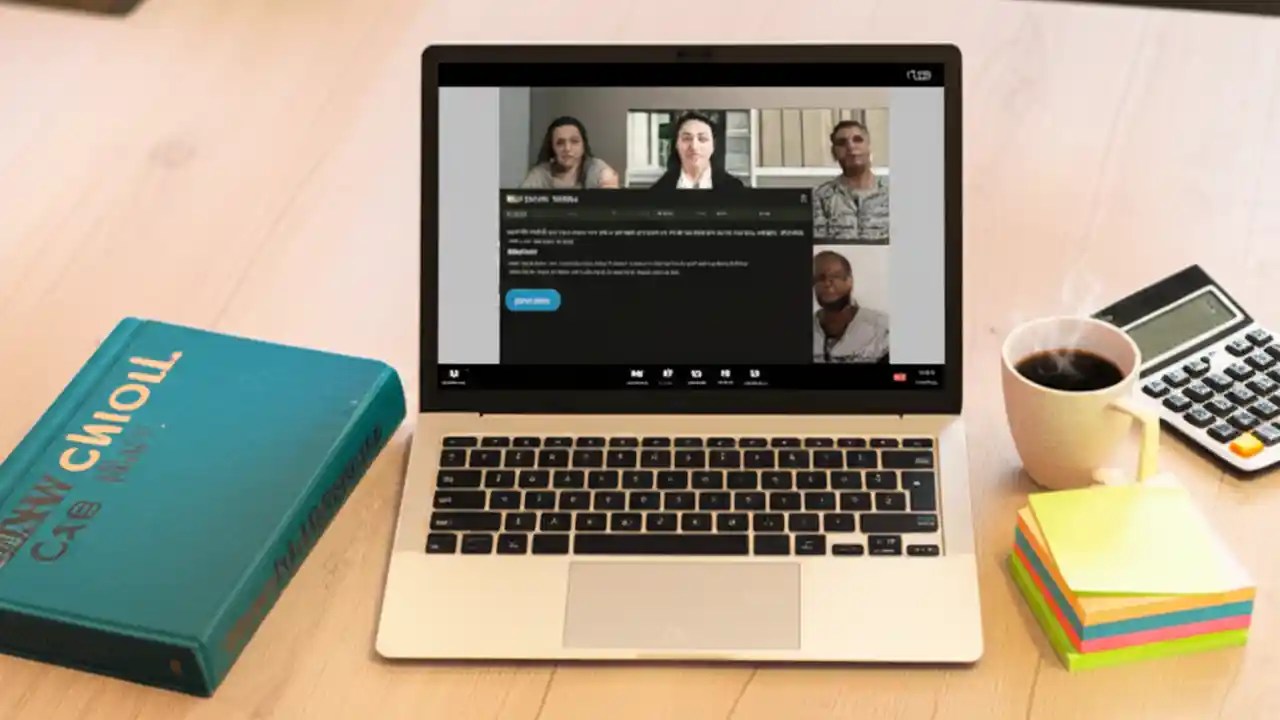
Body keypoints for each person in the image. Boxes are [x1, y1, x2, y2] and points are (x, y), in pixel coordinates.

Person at [812, 119, 890, 243]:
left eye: (857, 140)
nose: (850, 146)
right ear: (834, 153)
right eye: (842, 143)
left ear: (869, 146)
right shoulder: (820, 198)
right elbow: (818, 247)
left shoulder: (892, 196)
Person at [812, 250, 889, 363]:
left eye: (835, 276)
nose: (827, 283)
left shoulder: (880, 330)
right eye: (820, 278)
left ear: (849, 281)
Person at [647, 111, 745, 191]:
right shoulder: (658, 191)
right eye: (687, 138)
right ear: (676, 144)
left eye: (702, 139)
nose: (694, 146)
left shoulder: (734, 189)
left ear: (713, 145)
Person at [520, 116, 619, 189]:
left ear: (583, 145)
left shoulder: (596, 168)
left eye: (574, 141)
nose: (567, 148)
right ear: (552, 147)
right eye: (560, 143)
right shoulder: (540, 174)